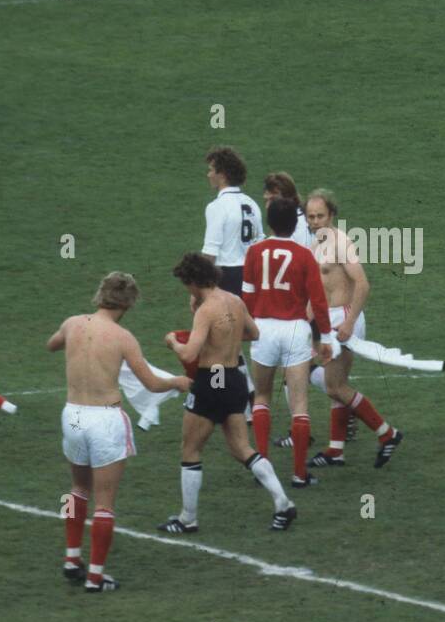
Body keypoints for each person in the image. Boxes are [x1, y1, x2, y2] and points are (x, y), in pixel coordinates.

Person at [47, 272, 190, 592]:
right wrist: (177, 383)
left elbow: (51, 345)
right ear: (127, 303)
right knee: (105, 503)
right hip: (105, 421)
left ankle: (72, 557)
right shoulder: (122, 337)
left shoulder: (73, 323)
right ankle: (96, 576)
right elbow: (151, 384)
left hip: (72, 416)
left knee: (77, 489)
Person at [159, 253, 299, 533]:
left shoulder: (206, 309)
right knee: (241, 448)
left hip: (212, 379)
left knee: (190, 449)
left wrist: (172, 342)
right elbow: (254, 333)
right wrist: (225, 338)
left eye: (186, 284)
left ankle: (188, 518)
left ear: (194, 281)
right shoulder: (234, 300)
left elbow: (189, 352)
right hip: (233, 378)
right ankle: (283, 503)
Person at [305, 189, 405, 469]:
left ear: (332, 215)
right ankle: (336, 449)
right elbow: (317, 290)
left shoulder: (341, 243)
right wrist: (307, 318)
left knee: (335, 385)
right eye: (311, 216)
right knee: (335, 384)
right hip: (327, 320)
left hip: (344, 320)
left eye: (320, 216)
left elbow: (362, 284)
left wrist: (348, 324)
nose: (315, 221)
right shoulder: (315, 244)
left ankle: (387, 433)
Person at [244, 197, 333, 487]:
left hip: (263, 328)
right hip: (295, 329)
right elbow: (318, 301)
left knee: (262, 397)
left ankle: (263, 469)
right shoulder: (305, 254)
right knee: (300, 404)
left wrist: (250, 326)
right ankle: (299, 474)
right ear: (297, 223)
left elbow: (247, 296)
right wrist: (327, 337)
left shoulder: (255, 252)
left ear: (269, 222)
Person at [202, 146, 264, 296]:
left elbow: (210, 253)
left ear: (222, 175)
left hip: (227, 277)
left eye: (211, 170)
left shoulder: (217, 206)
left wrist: (199, 287)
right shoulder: (252, 204)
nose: (208, 174)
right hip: (253, 275)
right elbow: (261, 244)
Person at [263, 171, 314, 248]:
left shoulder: (298, 226)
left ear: (289, 199)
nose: (267, 206)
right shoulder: (286, 221)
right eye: (266, 200)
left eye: (273, 200)